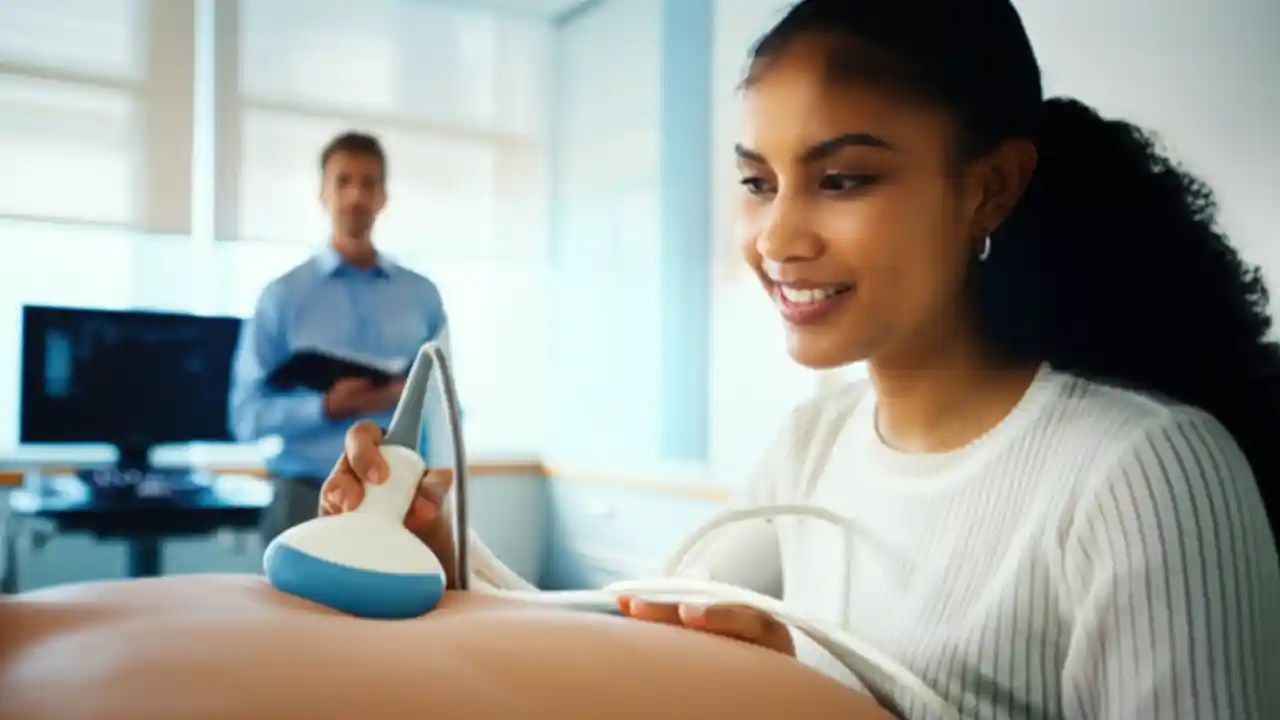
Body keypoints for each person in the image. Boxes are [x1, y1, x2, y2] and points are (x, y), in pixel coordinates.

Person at [323, 0, 1280, 717]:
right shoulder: (812, 443)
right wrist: (445, 554)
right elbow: (628, 637)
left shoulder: (1144, 471)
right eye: (757, 180)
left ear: (990, 187)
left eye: (843, 179)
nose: (777, 237)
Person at [229, 131, 450, 546]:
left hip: (398, 499)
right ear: (322, 193)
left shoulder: (422, 297)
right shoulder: (281, 298)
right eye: (343, 181)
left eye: (368, 183)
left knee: (405, 611)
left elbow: (441, 409)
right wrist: (325, 407)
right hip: (302, 499)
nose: (355, 196)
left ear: (384, 196)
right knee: (293, 614)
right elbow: (244, 416)